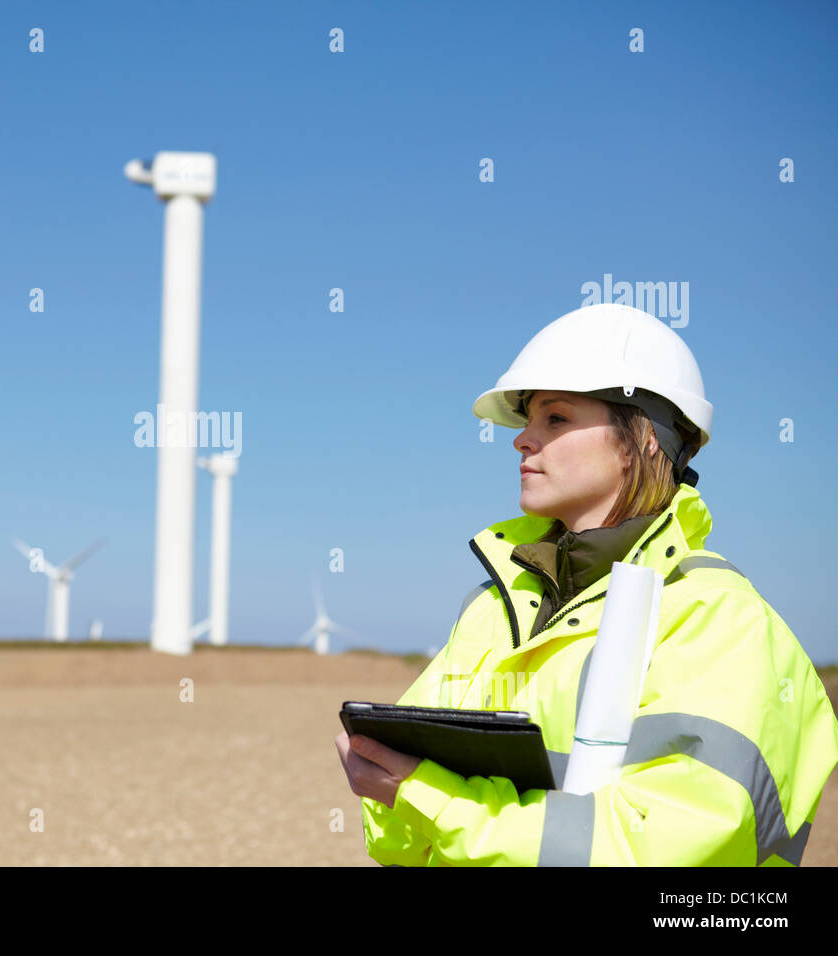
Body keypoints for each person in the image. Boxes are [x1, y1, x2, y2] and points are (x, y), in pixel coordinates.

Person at [335, 303, 838, 866]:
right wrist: (380, 773)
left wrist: (427, 797)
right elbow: (398, 842)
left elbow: (658, 852)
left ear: (645, 438)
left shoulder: (719, 620)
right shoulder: (493, 609)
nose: (521, 440)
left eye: (556, 419)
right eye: (527, 421)